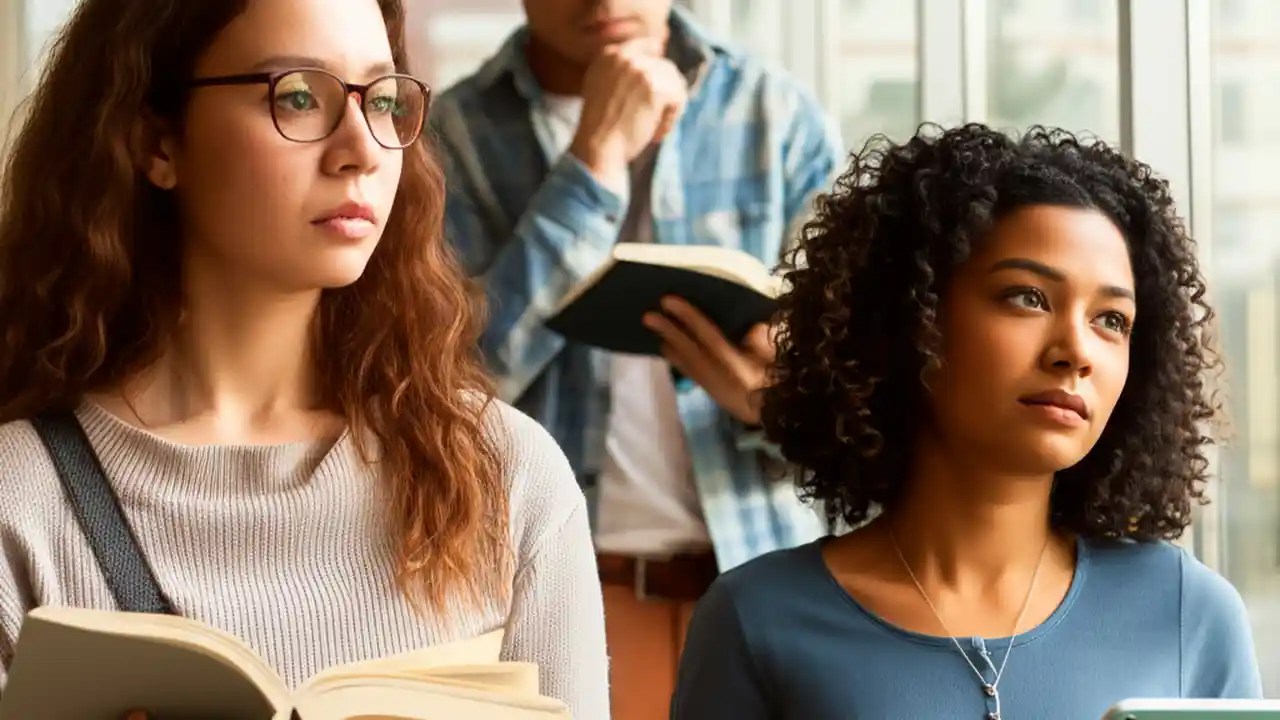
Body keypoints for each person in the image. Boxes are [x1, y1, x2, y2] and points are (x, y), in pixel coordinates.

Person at [0, 0, 608, 717]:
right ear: (157, 143)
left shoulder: (506, 476)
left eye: (382, 100)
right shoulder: (21, 499)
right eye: (296, 95)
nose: (361, 147)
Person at [671, 124, 1264, 719]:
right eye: (1028, 297)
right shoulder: (757, 619)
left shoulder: (1188, 613)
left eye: (1112, 320)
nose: (1076, 350)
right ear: (914, 316)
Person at [429, 2, 842, 715]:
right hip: (557, 602)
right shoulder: (450, 139)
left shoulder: (778, 116)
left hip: (767, 596)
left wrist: (782, 403)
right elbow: (451, 386)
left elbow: (870, 418)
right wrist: (592, 164)